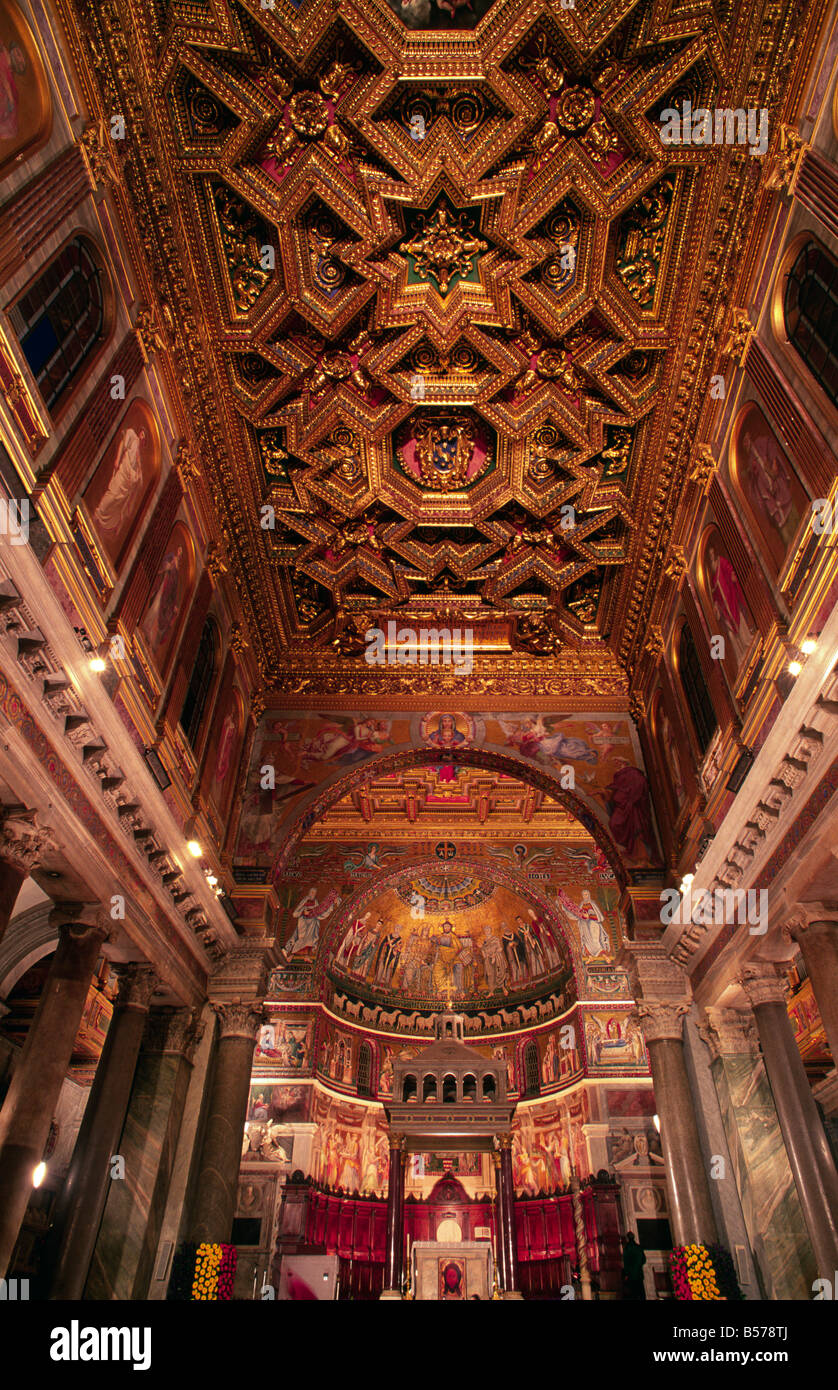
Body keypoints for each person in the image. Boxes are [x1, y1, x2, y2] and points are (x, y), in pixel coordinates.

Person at [622, 1231, 646, 1299]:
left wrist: (626, 1274)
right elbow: (644, 1260)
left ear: (627, 1238)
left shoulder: (626, 1248)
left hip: (631, 1275)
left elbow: (625, 1262)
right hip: (639, 1274)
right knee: (641, 1293)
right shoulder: (639, 1247)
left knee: (633, 1295)